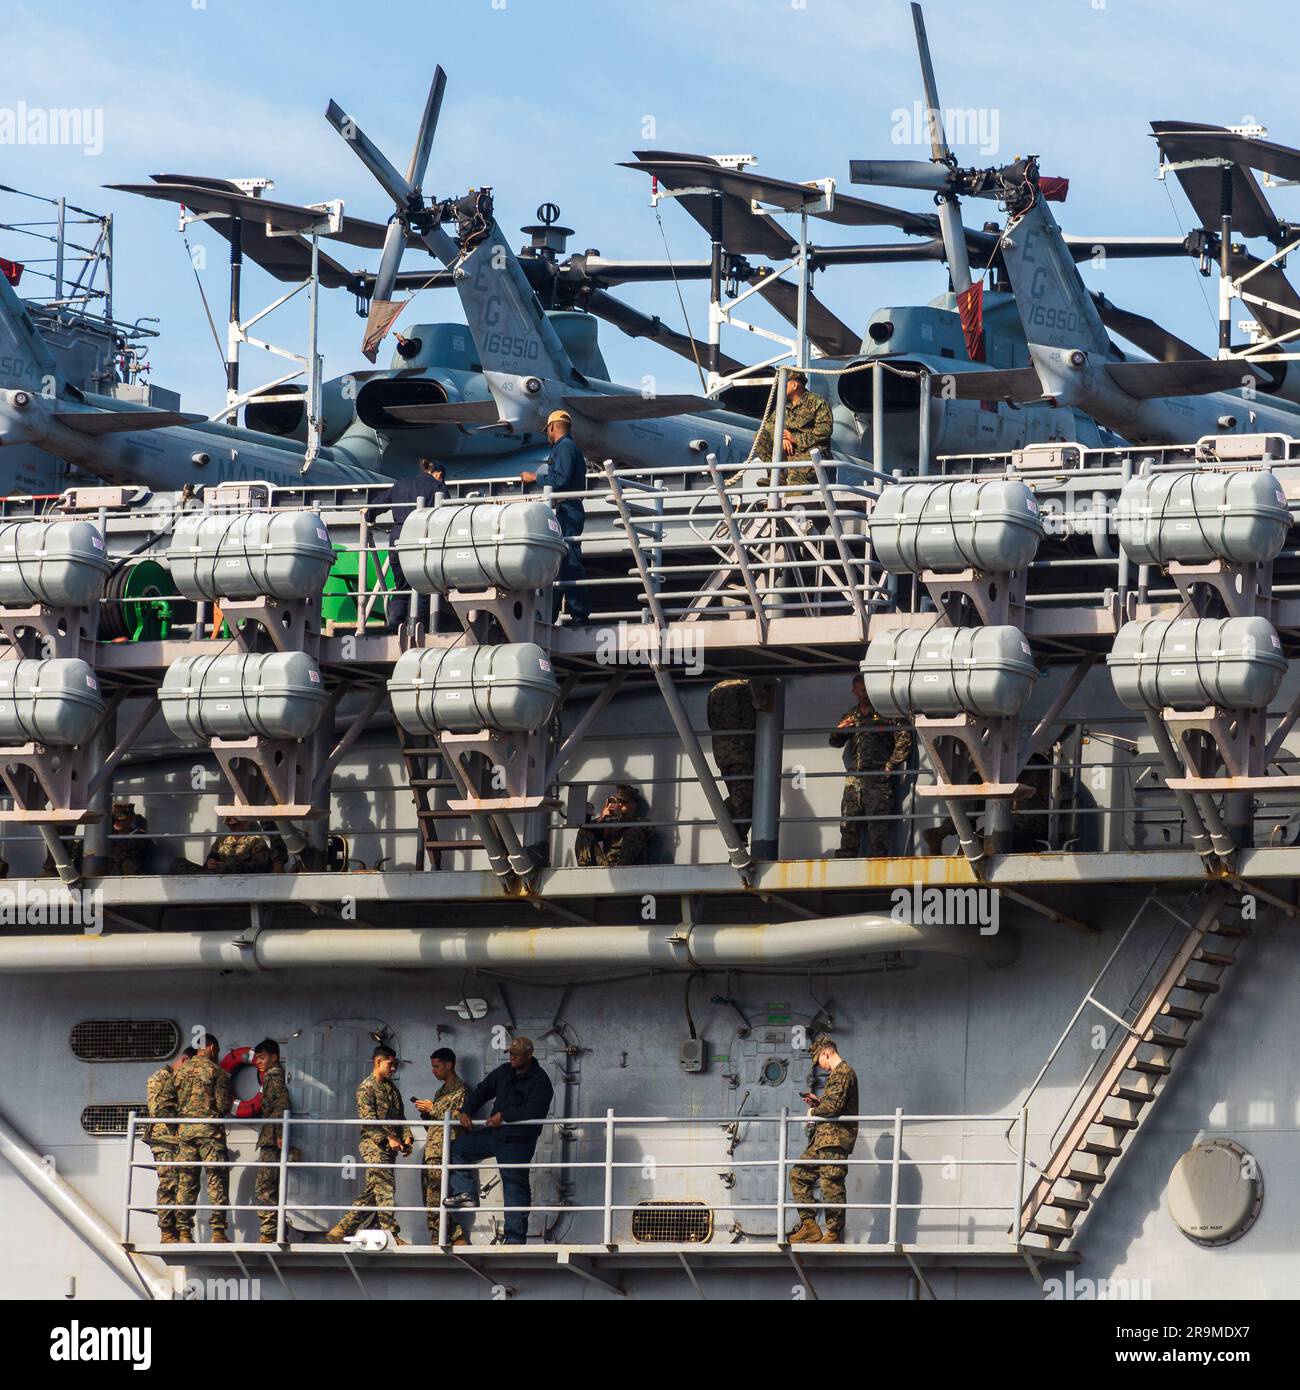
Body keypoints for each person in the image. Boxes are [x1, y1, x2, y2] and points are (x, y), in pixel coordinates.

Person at [445, 1037, 554, 1245]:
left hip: (519, 1141)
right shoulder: (504, 1072)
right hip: (495, 1135)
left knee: (514, 1186)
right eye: (510, 1053)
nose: (512, 1057)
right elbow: (483, 1090)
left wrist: (504, 1116)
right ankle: (465, 1192)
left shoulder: (540, 1080)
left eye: (517, 1054)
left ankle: (514, 1237)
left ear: (529, 1055)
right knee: (458, 1148)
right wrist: (465, 1111)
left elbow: (534, 1110)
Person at [328, 1045, 413, 1245]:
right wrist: (387, 1139)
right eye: (390, 1064)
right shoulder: (367, 1087)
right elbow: (368, 1120)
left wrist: (407, 1137)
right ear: (378, 1062)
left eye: (395, 1065)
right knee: (385, 1187)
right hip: (373, 1145)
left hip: (390, 1148)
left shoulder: (391, 1089)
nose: (393, 1069)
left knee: (373, 1193)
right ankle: (391, 1234)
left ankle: (341, 1229)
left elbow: (400, 1117)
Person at [830, 675, 912, 858]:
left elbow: (903, 739)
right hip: (854, 778)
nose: (865, 695)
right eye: (862, 691)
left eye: (868, 690)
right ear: (854, 692)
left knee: (878, 827)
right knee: (848, 823)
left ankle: (879, 865)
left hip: (877, 778)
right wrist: (840, 730)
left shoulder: (886, 713)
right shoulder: (852, 715)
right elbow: (834, 742)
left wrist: (890, 766)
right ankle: (845, 862)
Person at [788, 1035, 859, 1244]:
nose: (821, 1066)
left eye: (820, 1060)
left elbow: (833, 1108)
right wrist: (818, 1101)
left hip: (835, 1140)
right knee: (798, 1174)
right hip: (822, 1139)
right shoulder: (837, 1075)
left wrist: (813, 1111)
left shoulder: (844, 1073)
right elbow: (833, 1104)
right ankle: (810, 1226)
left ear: (826, 1053)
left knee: (831, 1184)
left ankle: (833, 1234)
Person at [367, 457, 450, 634]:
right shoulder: (438, 487)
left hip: (397, 542)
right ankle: (419, 629)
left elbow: (378, 505)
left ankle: (393, 629)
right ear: (439, 474)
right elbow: (447, 516)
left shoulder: (400, 484)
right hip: (421, 542)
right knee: (422, 586)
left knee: (401, 589)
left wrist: (368, 516)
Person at [523, 410, 588, 623]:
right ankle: (551, 613)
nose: (547, 435)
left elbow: (560, 480)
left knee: (569, 560)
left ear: (552, 427)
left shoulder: (565, 448)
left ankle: (579, 614)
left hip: (567, 511)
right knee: (560, 562)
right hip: (567, 509)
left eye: (547, 431)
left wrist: (535, 478)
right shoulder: (568, 448)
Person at [174, 1034, 233, 1244]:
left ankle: (183, 1233)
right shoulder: (217, 1072)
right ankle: (217, 1232)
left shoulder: (179, 1072)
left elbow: (172, 1103)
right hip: (210, 1133)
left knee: (186, 1181)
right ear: (212, 1048)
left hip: (185, 1134)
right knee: (216, 1181)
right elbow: (224, 1105)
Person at [413, 1048, 469, 1245]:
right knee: (429, 1198)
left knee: (435, 1197)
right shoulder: (440, 1091)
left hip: (444, 1150)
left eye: (437, 1066)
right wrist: (426, 1113)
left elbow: (460, 1117)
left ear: (449, 1065)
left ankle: (441, 1237)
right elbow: (437, 1122)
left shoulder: (461, 1089)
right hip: (432, 1149)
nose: (433, 1071)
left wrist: (433, 1108)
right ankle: (454, 1235)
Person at [143, 1046, 195, 1244]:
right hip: (163, 1139)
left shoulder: (178, 1080)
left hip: (178, 1141)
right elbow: (158, 1111)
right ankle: (167, 1231)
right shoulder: (161, 1077)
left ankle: (182, 1231)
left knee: (183, 1185)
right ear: (183, 1061)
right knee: (168, 1183)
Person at [750, 369, 834, 488]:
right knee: (761, 436)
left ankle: (794, 498)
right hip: (791, 454)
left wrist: (795, 438)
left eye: (784, 383)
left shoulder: (817, 402)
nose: (780, 387)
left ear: (794, 385)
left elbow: (825, 430)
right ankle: (776, 475)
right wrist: (782, 438)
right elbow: (769, 425)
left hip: (813, 453)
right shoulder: (783, 407)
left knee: (795, 487)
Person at [252, 1038, 292, 1244]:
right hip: (272, 1135)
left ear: (274, 1057)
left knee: (264, 1186)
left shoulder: (273, 1076)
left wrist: (277, 1134)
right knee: (272, 1186)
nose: (258, 1061)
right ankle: (277, 1230)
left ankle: (268, 1233)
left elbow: (282, 1103)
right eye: (257, 1058)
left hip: (271, 1138)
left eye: (262, 1057)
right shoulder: (276, 1075)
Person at [707, 679, 756, 845]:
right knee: (746, 797)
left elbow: (711, 722)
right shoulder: (742, 689)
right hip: (742, 752)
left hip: (723, 754)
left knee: (736, 796)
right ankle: (737, 838)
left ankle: (732, 832)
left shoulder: (715, 691)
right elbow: (751, 721)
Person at [575, 784, 651, 867]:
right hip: (607, 864)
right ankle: (584, 870)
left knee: (634, 832)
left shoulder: (642, 823)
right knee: (583, 832)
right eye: (619, 801)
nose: (620, 804)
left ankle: (621, 869)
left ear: (634, 804)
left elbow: (649, 830)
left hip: (629, 866)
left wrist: (625, 821)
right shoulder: (609, 822)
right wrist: (601, 818)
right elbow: (587, 833)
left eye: (624, 802)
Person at [106, 800, 153, 876]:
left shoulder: (140, 837)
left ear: (131, 819)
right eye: (114, 819)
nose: (117, 822)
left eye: (121, 818)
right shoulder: (105, 838)